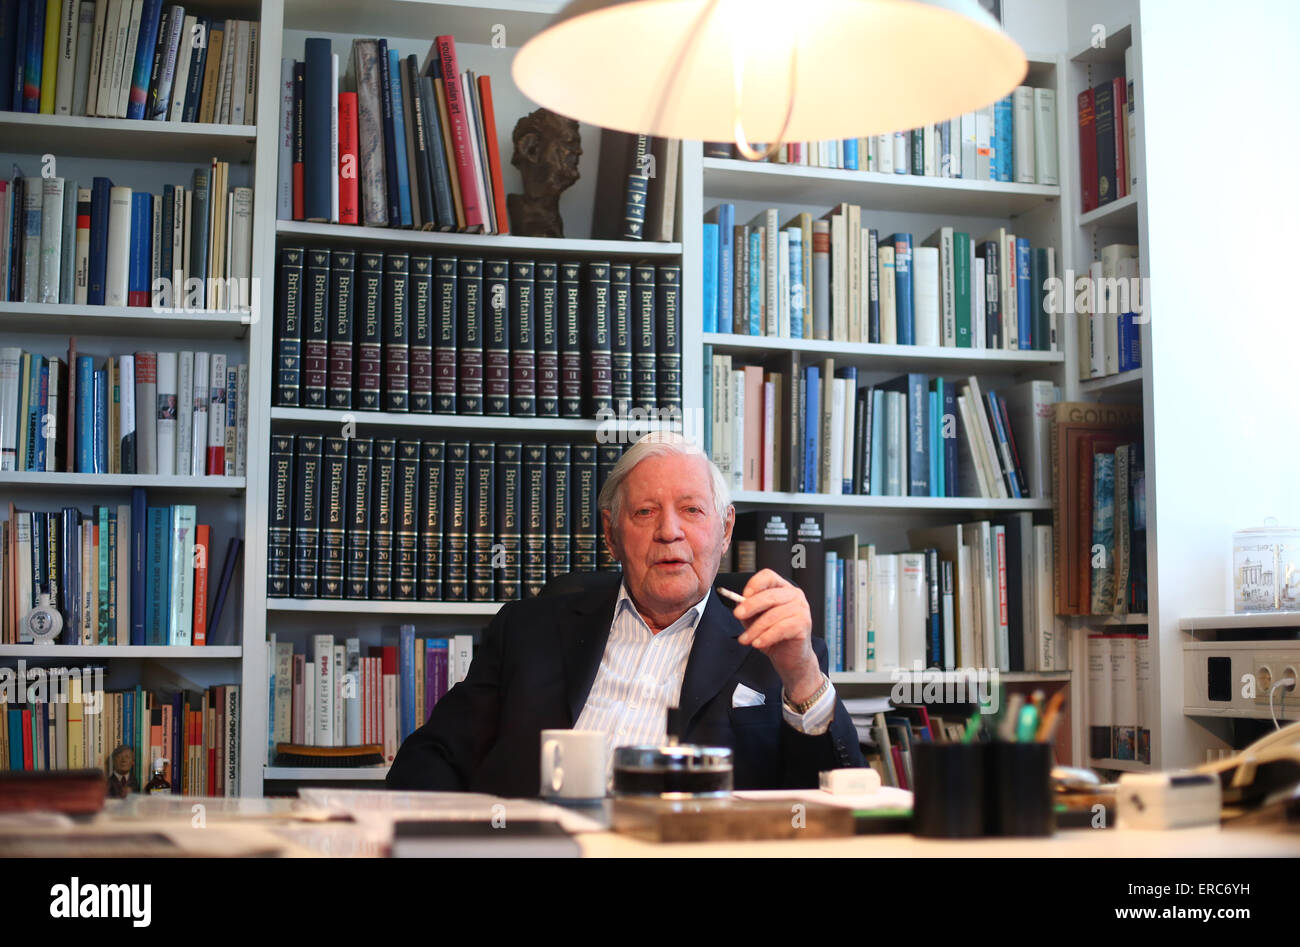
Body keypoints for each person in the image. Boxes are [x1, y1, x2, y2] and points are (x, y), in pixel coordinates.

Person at [387, 433, 865, 796]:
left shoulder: (778, 648)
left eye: (692, 510)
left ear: (725, 530)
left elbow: (839, 795)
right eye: (644, 513)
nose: (669, 532)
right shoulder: (527, 630)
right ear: (611, 535)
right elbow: (435, 754)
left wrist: (803, 676)